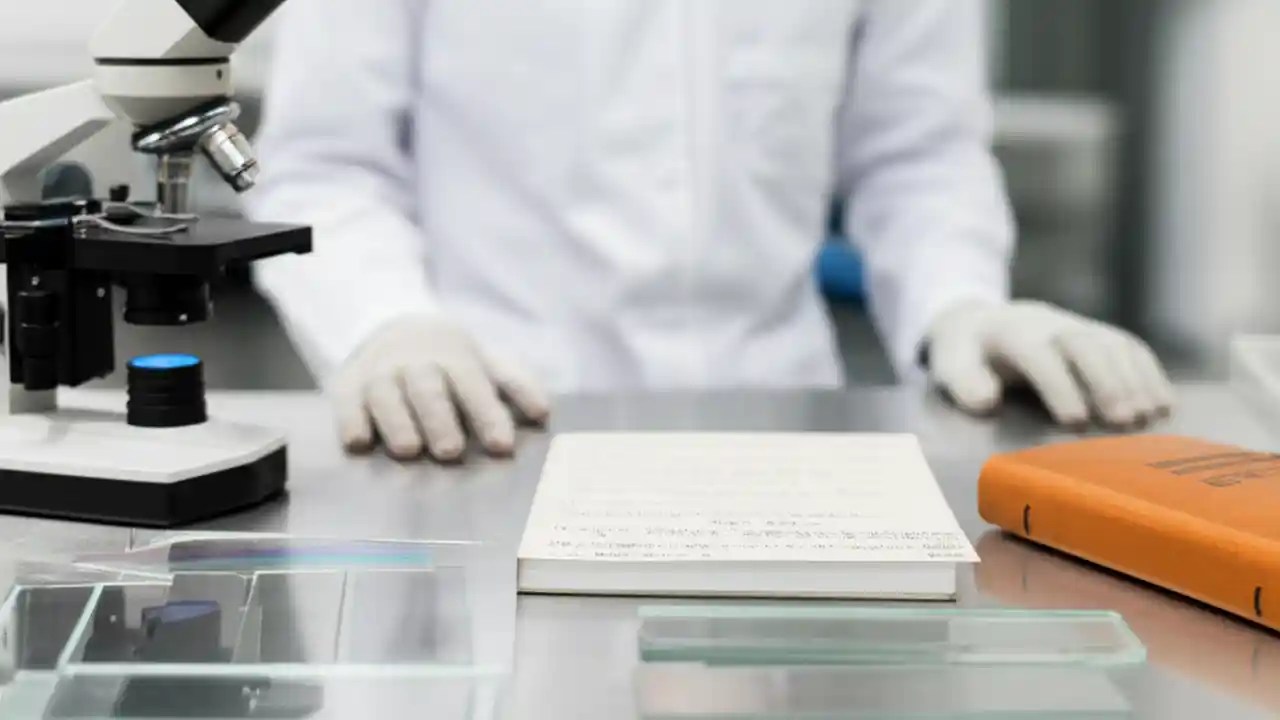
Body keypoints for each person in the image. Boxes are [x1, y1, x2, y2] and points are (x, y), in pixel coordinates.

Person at [247, 1, 1174, 462]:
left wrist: (962, 303)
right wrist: (387, 323)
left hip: (788, 438)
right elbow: (328, 162)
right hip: (486, 428)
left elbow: (916, 152)